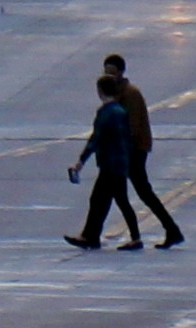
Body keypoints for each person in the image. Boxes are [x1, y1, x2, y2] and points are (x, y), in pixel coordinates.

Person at [65, 54, 185, 251]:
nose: (108, 75)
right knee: (106, 195)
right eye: (106, 71)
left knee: (136, 193)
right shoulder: (118, 92)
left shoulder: (130, 94)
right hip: (122, 153)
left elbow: (132, 128)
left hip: (132, 151)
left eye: (112, 71)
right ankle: (92, 234)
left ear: (121, 72)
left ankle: (166, 230)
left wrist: (124, 155)